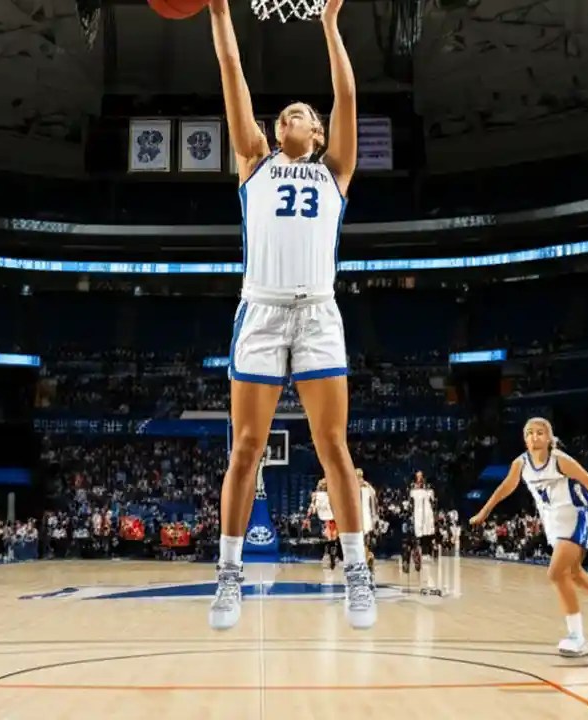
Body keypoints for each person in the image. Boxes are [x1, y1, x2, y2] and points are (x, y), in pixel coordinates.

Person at [206, 0, 373, 630]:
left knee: (334, 446)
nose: (289, 116)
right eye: (284, 113)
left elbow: (346, 94)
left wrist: (331, 27)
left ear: (320, 134)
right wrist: (219, 10)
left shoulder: (336, 171)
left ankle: (357, 574)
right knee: (246, 447)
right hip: (261, 311)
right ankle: (229, 578)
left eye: (301, 113)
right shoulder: (254, 159)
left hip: (319, 313)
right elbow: (231, 68)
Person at [470, 418, 588, 657]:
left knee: (555, 573)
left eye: (540, 432)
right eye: (529, 433)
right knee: (573, 573)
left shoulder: (560, 460)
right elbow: (505, 488)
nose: (534, 436)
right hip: (552, 523)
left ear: (549, 438)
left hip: (575, 516)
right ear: (524, 438)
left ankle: (577, 637)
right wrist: (484, 512)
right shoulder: (520, 464)